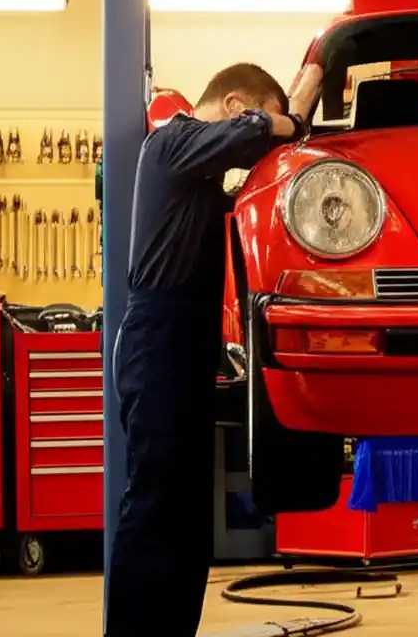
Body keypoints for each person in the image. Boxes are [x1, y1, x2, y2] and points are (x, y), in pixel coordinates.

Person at [105, 62, 322, 637]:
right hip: (157, 346)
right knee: (154, 504)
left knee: (187, 512)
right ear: (234, 105)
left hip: (184, 349)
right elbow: (254, 131)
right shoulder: (171, 142)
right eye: (255, 117)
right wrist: (295, 112)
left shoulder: (199, 177)